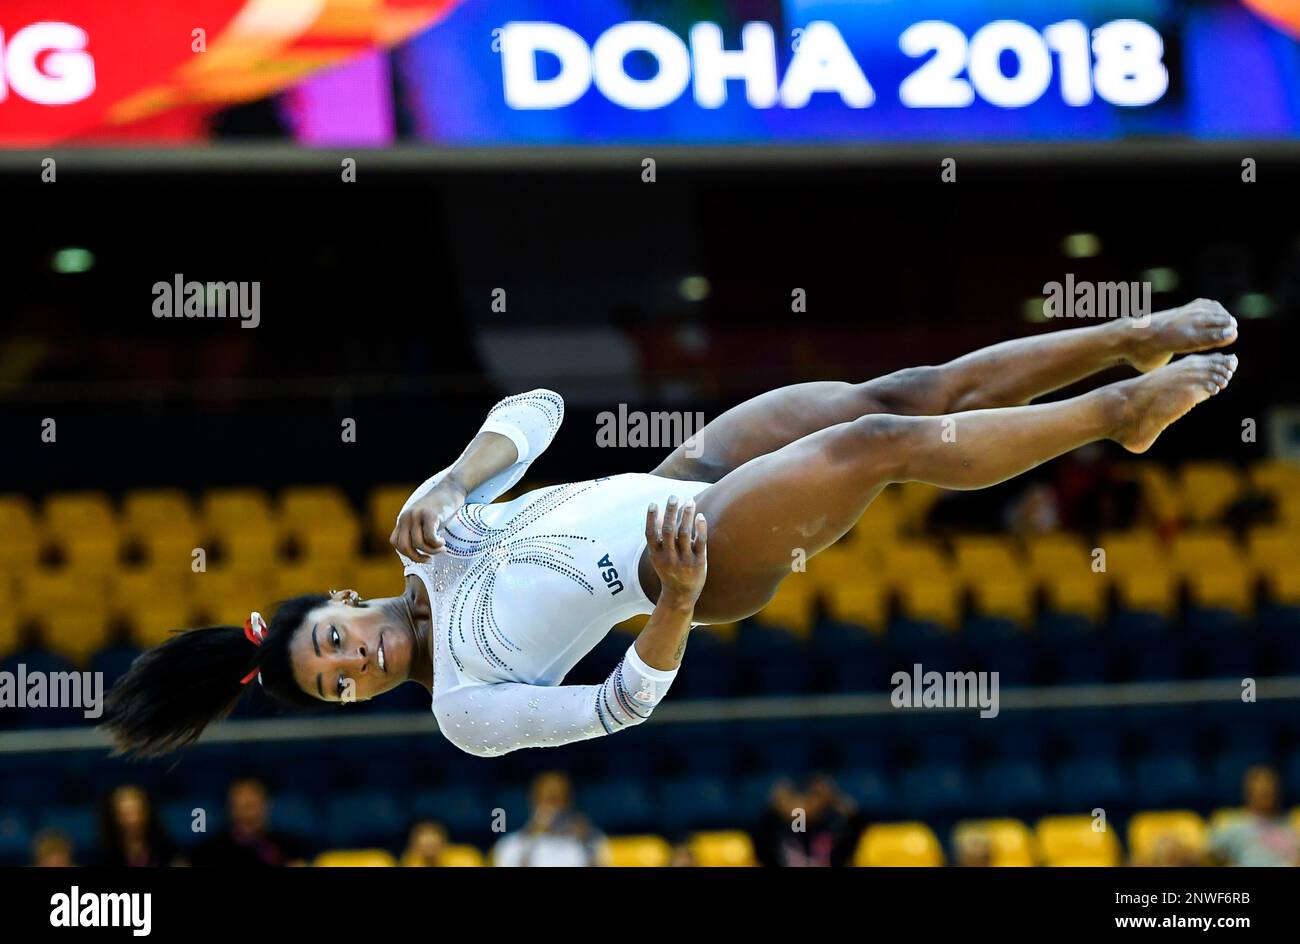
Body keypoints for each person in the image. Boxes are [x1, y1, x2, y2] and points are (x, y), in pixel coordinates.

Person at [104, 301, 1239, 758]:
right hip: (695, 558)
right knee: (877, 442)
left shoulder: (429, 537)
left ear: (340, 605)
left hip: (681, 471)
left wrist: (456, 477)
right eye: (342, 683)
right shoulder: (465, 711)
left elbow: (536, 414)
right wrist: (682, 598)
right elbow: (616, 708)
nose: (360, 661)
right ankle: (1117, 415)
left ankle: (1126, 338)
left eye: (335, 643)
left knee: (908, 386)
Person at [491, 772, 609, 867]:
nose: (556, 806)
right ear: (533, 800)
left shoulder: (592, 840)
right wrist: (531, 837)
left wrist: (585, 844)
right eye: (550, 799)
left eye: (562, 798)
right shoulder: (510, 845)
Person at [192, 777, 308, 867]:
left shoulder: (290, 847)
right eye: (243, 807)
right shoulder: (210, 851)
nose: (248, 815)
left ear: (268, 805)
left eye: (253, 806)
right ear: (230, 809)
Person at [751, 775, 858, 867]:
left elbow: (855, 824)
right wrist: (773, 807)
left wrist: (836, 799)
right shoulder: (774, 827)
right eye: (795, 800)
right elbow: (760, 845)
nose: (802, 806)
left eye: (811, 798)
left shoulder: (833, 823)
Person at [1207, 766, 1300, 867]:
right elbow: (1205, 855)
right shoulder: (1234, 825)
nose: (1267, 790)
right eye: (1262, 793)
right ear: (1248, 793)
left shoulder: (1293, 824)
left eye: (1270, 789)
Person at [97, 784, 182, 867]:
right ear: (114, 817)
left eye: (137, 812)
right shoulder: (103, 857)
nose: (132, 820)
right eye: (125, 814)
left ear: (147, 813)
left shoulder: (169, 853)